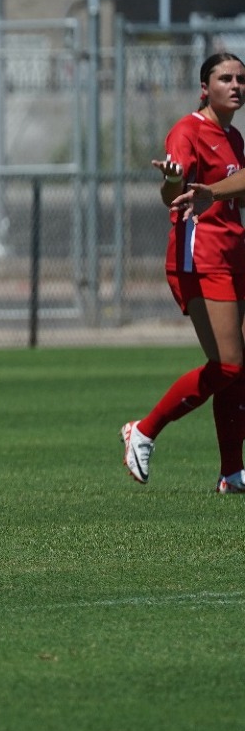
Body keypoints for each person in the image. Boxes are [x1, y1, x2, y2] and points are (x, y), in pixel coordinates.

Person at [129, 53, 245, 493]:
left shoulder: (232, 136)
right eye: (224, 78)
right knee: (229, 367)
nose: (235, 85)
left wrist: (217, 191)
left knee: (239, 369)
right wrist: (176, 181)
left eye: (241, 79)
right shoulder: (188, 130)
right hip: (201, 255)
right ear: (204, 87)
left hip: (234, 251)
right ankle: (144, 430)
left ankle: (232, 473)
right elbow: (171, 193)